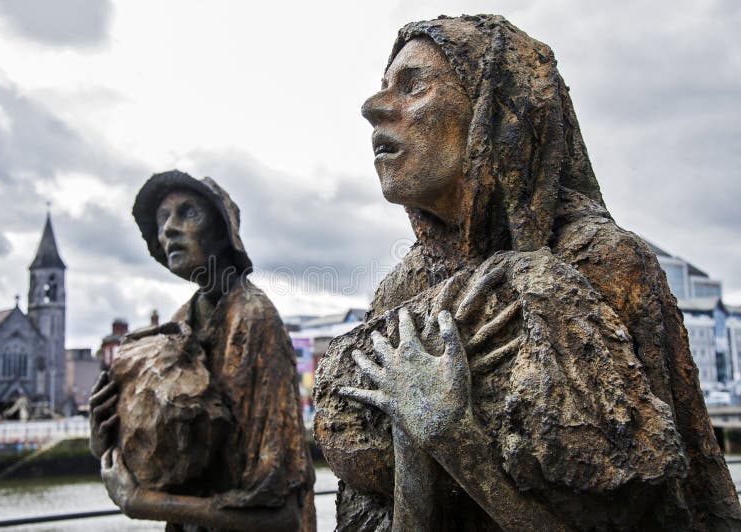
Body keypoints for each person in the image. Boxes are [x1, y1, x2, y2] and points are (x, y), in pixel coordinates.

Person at [314, 15, 741, 531]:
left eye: (414, 85)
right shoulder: (398, 295)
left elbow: (666, 514)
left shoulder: (602, 262)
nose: (374, 107)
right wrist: (412, 440)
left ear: (497, 114)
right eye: (386, 86)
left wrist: (455, 440)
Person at [90, 170, 315, 532]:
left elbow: (283, 515)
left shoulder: (254, 318)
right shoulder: (181, 322)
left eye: (187, 212)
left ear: (224, 230)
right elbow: (178, 464)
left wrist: (140, 503)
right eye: (163, 219)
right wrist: (107, 441)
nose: (169, 229)